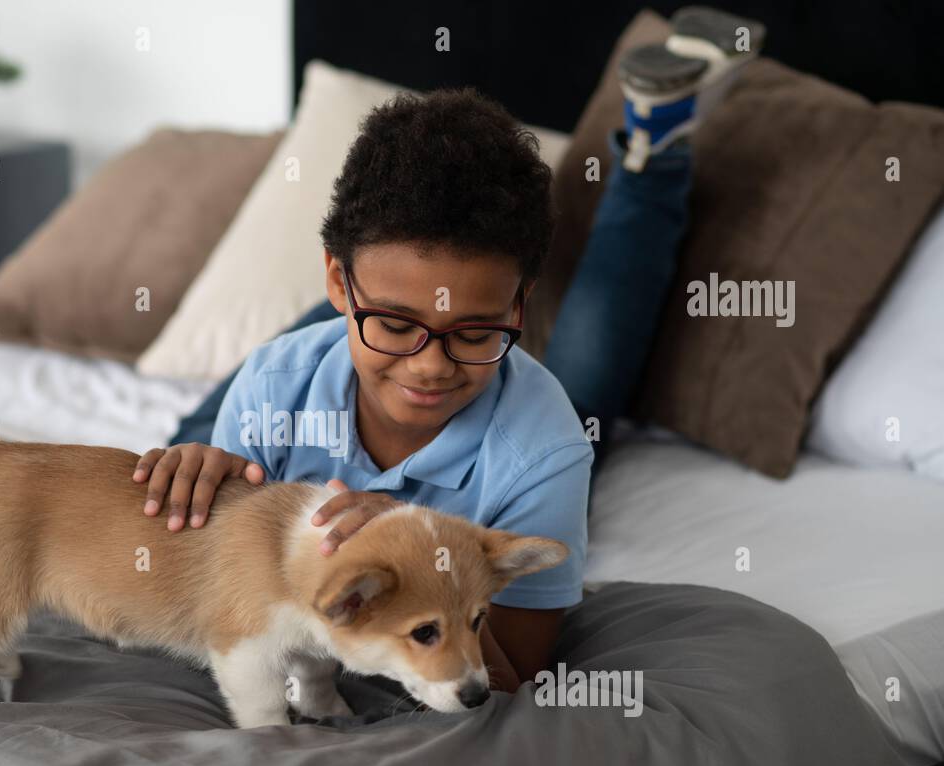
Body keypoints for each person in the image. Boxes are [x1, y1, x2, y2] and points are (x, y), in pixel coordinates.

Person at [135, 7, 765, 692]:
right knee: (201, 438)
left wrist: (421, 548)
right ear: (336, 281)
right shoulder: (271, 384)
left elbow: (513, 673)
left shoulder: (544, 446)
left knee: (591, 368)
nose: (432, 367)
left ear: (519, 309)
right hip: (323, 344)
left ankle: (656, 140)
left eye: (473, 330)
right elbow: (231, 606)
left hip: (515, 404)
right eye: (398, 325)